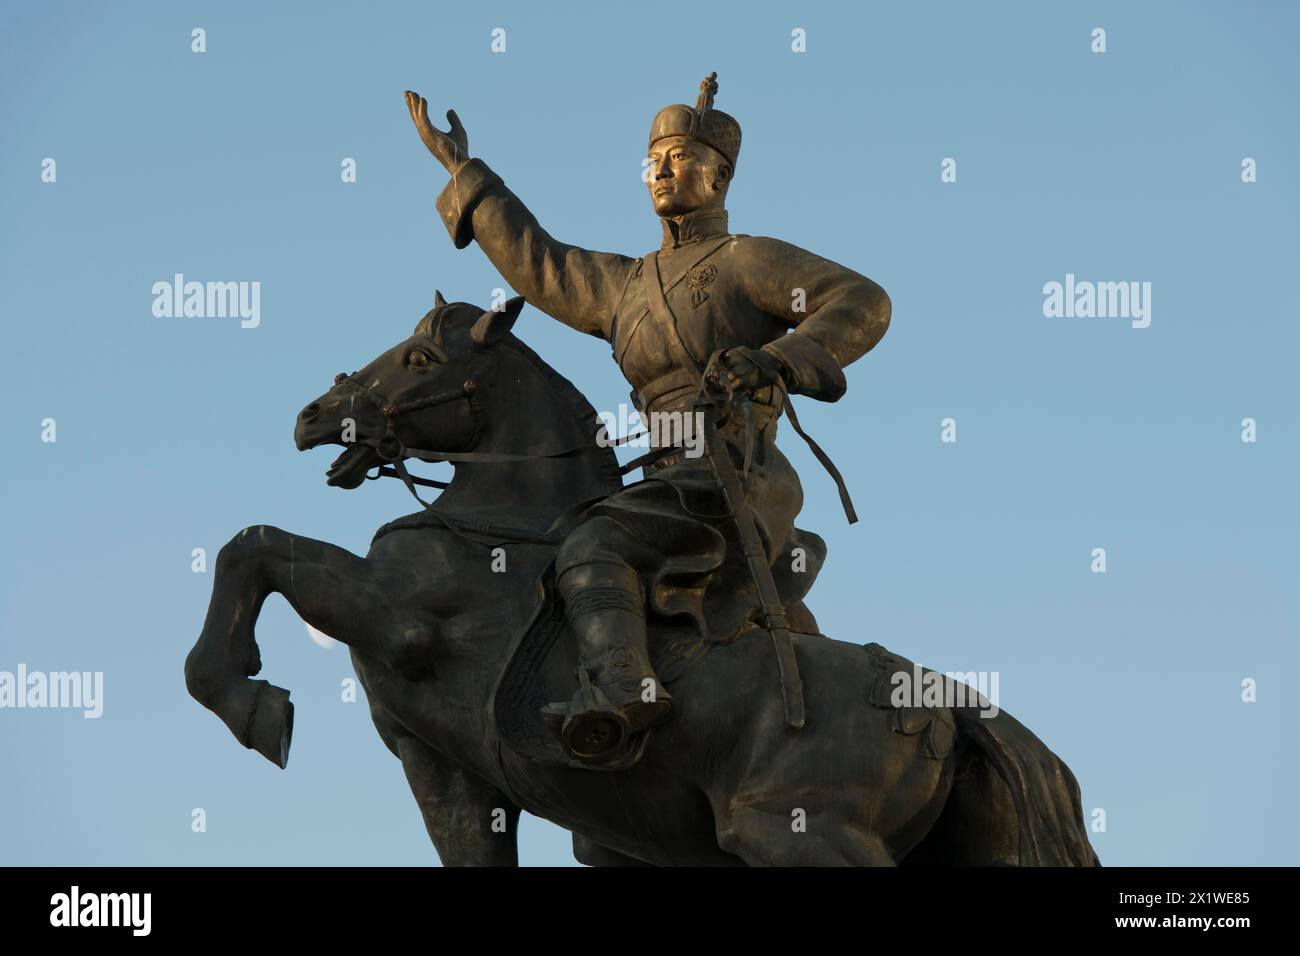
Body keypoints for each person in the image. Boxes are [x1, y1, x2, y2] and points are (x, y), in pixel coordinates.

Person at [404, 73, 891, 763]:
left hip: (734, 473)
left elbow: (862, 299)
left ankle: (626, 690)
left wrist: (779, 361)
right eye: (653, 159)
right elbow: (539, 262)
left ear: (719, 177)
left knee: (593, 543)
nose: (662, 170)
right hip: (662, 477)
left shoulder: (745, 260)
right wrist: (463, 169)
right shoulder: (626, 285)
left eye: (682, 157)